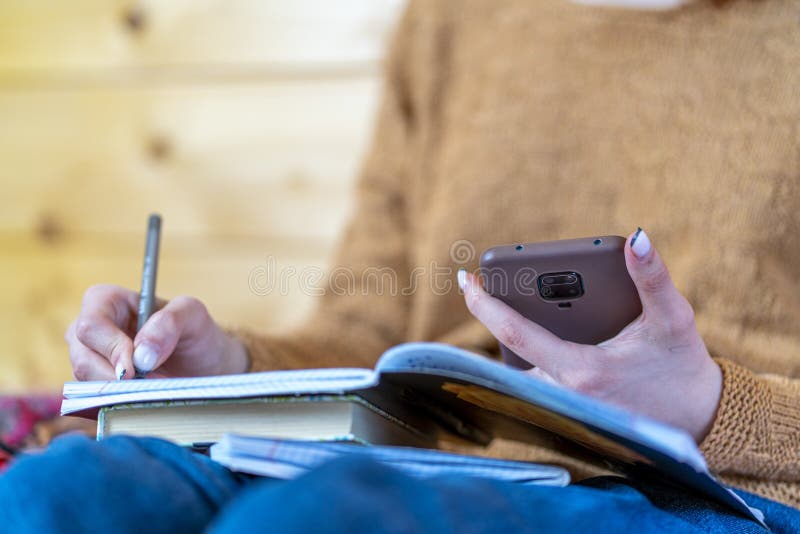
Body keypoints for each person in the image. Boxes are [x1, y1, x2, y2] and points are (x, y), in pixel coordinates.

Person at [4, 0, 799, 531]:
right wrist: (227, 367)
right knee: (55, 495)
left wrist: (707, 402)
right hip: (424, 454)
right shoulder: (452, 19)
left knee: (315, 522)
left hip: (714, 495)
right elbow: (366, 325)